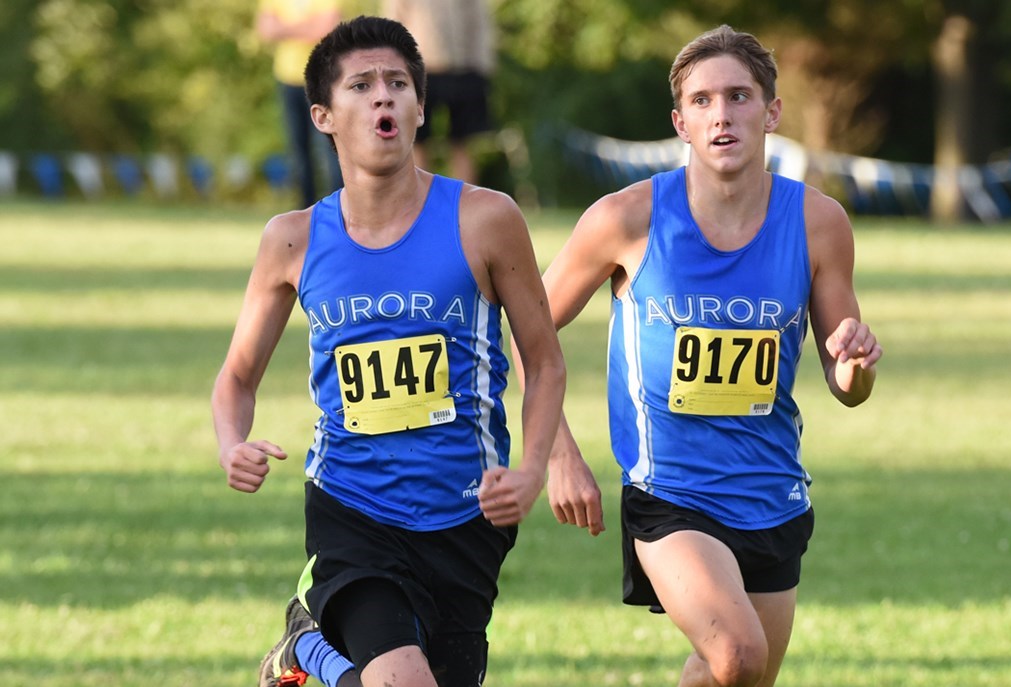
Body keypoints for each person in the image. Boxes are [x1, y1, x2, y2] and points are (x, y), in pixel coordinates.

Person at [212, 15, 565, 687]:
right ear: (323, 115)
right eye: (362, 85)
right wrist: (233, 440)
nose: (383, 97)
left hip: (468, 512)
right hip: (351, 504)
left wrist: (534, 468)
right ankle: (316, 649)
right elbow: (235, 376)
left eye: (398, 83)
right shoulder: (292, 239)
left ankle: (308, 651)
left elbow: (544, 361)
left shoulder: (487, 219)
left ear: (420, 106)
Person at [539, 25, 883, 687]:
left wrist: (857, 363)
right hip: (670, 493)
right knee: (739, 655)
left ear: (772, 112)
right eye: (702, 101)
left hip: (774, 493)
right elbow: (529, 330)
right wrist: (558, 452)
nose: (721, 113)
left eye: (739, 96)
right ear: (680, 122)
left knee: (736, 676)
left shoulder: (818, 223)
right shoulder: (626, 219)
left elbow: (846, 382)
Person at [381, 0, 495, 184]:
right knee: (416, 139)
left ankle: (465, 204)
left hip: (463, 69)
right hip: (419, 69)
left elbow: (479, 22)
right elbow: (394, 22)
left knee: (463, 141)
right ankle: (420, 204)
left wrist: (483, 65)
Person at [256, 0, 345, 208]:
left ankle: (338, 207)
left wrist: (284, 28)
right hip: (287, 79)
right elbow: (265, 30)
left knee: (330, 147)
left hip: (321, 79)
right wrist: (308, 26)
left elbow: (327, 29)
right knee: (298, 150)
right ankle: (305, 210)